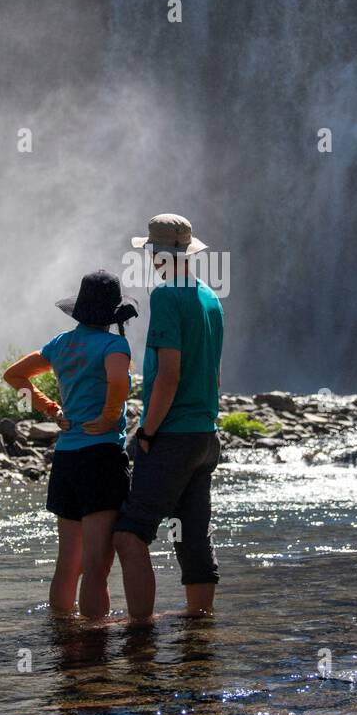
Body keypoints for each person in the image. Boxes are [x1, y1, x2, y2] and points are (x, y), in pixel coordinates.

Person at [4, 271, 137, 618]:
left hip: (66, 458)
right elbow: (118, 380)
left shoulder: (60, 343)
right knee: (96, 566)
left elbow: (13, 375)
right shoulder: (113, 345)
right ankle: (95, 647)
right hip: (102, 456)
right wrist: (109, 416)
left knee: (67, 562)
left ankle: (62, 634)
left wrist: (50, 409)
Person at [113, 214, 224, 620]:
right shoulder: (210, 298)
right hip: (205, 436)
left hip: (173, 434)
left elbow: (169, 375)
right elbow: (214, 373)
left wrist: (147, 430)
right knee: (193, 536)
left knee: (129, 534)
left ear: (156, 253)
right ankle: (199, 629)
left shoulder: (164, 296)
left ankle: (139, 635)